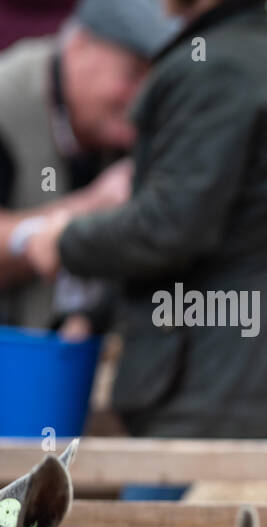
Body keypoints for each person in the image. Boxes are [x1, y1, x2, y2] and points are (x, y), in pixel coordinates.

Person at [24, 0, 267, 440]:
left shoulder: (213, 67)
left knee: (163, 508)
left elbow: (169, 227)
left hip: (218, 385)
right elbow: (213, 225)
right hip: (255, 369)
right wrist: (95, 313)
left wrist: (64, 241)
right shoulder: (256, 51)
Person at [0, 0, 172, 334]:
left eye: (157, 84)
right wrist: (93, 207)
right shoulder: (8, 104)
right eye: (133, 74)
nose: (143, 101)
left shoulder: (139, 130)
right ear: (80, 46)